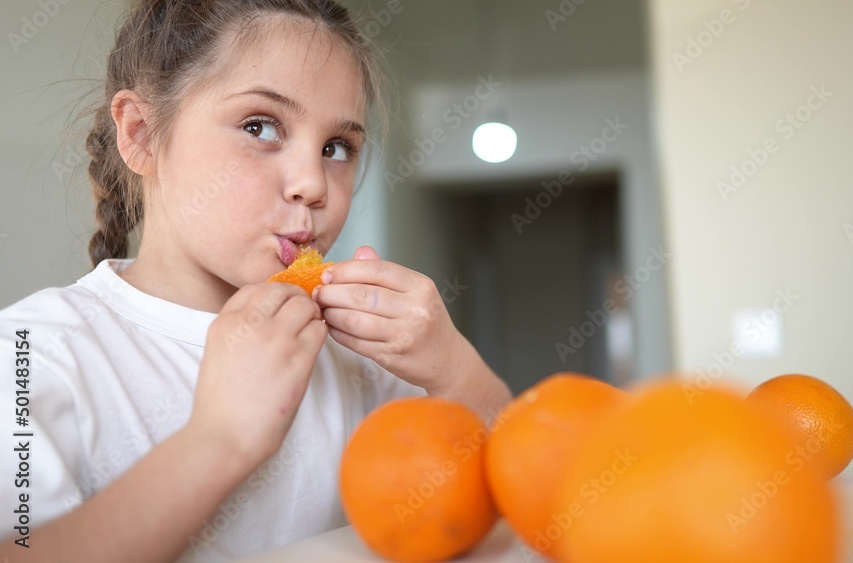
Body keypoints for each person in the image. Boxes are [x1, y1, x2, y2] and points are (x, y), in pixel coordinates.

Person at [0, 1, 512, 561]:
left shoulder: (359, 356)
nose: (313, 183)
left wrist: (457, 370)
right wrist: (220, 439)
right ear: (142, 135)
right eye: (260, 127)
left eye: (336, 148)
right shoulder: (33, 354)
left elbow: (512, 493)